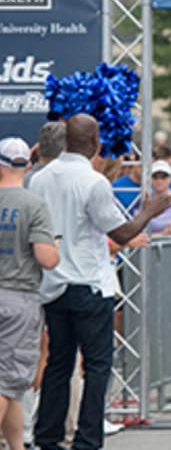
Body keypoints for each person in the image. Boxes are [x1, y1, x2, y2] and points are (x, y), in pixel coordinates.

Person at [30, 115, 171, 450]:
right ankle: (87, 439)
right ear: (96, 143)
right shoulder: (93, 182)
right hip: (89, 284)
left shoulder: (39, 179)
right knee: (96, 366)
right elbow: (120, 232)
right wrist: (148, 211)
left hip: (53, 282)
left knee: (58, 364)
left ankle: (47, 437)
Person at [0, 137, 59, 450]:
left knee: (8, 385)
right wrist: (57, 249)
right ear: (27, 165)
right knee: (9, 383)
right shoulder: (33, 205)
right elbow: (46, 258)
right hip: (17, 297)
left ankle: (17, 446)